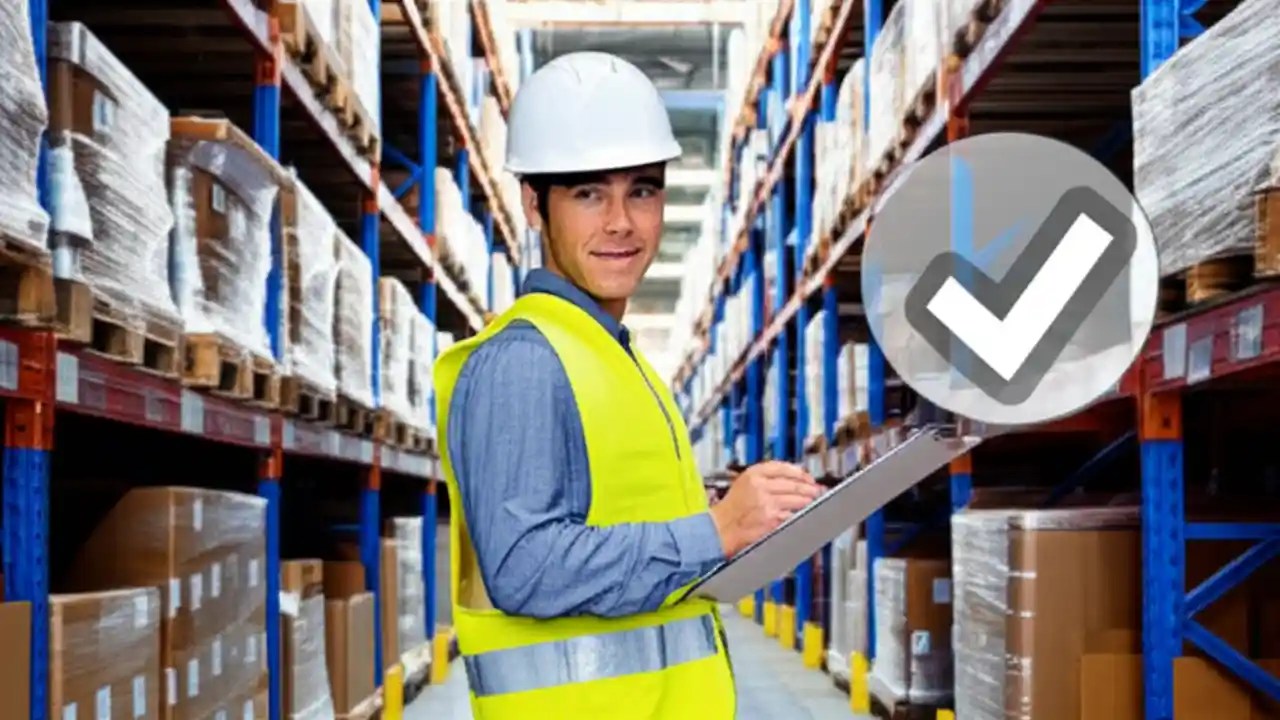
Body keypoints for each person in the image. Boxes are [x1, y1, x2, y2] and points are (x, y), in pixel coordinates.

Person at [433, 51, 822, 719]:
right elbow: (524, 565)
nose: (621, 221)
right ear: (534, 204)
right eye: (588, 193)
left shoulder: (617, 358)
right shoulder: (524, 360)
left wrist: (725, 516)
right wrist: (713, 532)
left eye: (641, 189)